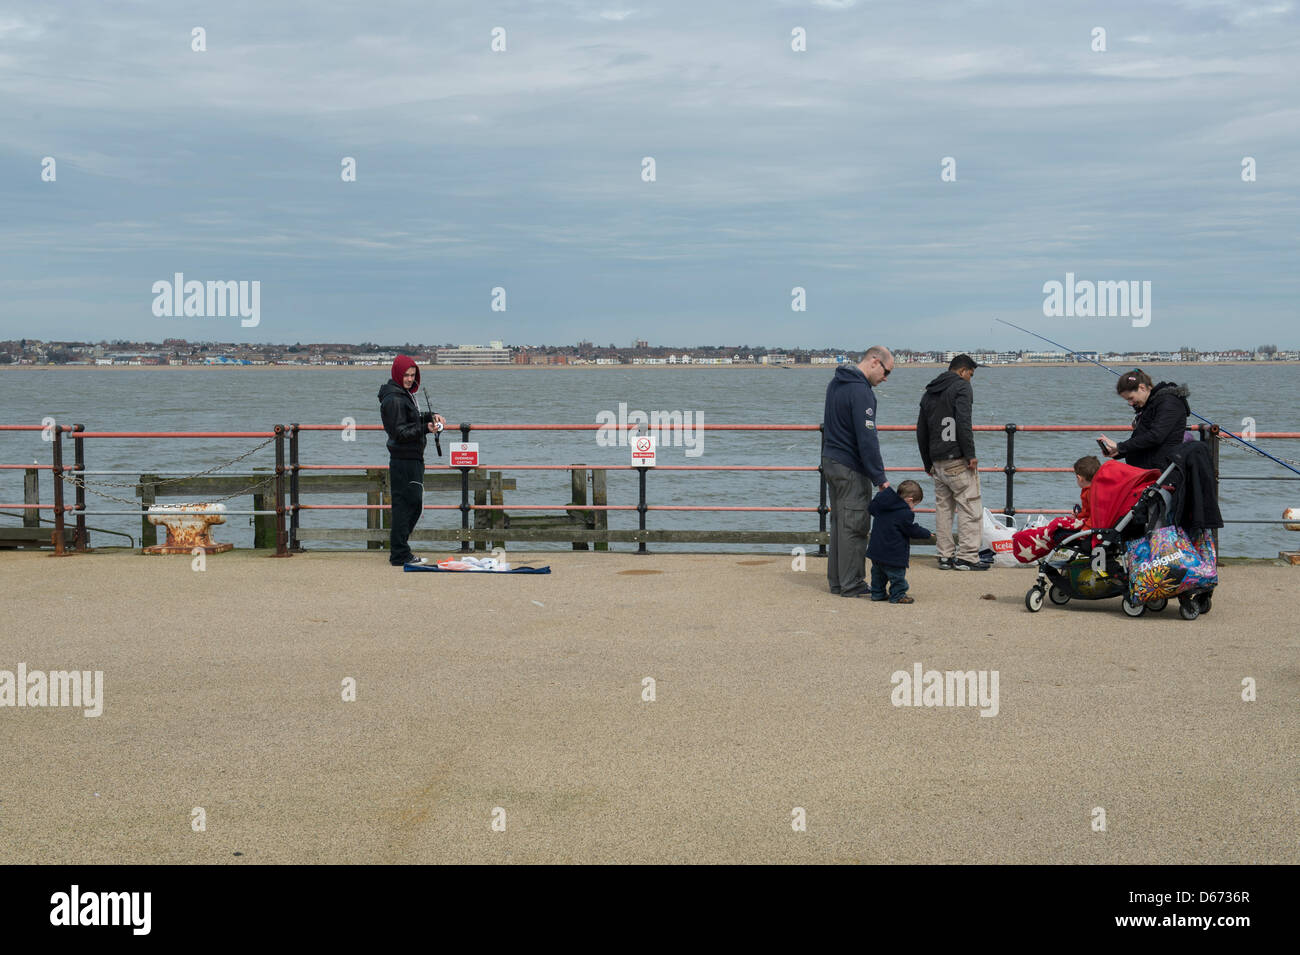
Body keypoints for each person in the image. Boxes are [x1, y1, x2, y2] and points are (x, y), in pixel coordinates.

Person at [822, 346, 893, 597]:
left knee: (839, 522)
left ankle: (838, 581)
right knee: (855, 524)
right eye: (886, 372)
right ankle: (852, 583)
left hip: (831, 460)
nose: (885, 378)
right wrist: (880, 478)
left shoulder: (836, 383)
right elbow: (867, 438)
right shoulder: (862, 392)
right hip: (851, 467)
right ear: (875, 362)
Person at [916, 353, 985, 570]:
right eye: (970, 374)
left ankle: (944, 555)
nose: (970, 379)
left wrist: (927, 461)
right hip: (957, 459)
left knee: (943, 510)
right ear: (963, 371)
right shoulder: (962, 388)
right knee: (970, 507)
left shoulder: (929, 392)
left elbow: (921, 431)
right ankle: (967, 557)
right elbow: (963, 421)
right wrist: (970, 454)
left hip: (937, 461)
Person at [378, 356, 446, 566]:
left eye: (412, 375)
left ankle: (401, 550)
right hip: (404, 459)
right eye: (406, 375)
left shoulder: (402, 395)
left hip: (411, 457)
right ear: (397, 374)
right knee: (407, 505)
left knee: (411, 504)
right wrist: (426, 428)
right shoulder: (394, 399)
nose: (409, 379)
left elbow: (410, 419)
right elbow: (399, 432)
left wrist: (430, 416)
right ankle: (399, 552)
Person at [1097, 370, 1191, 471]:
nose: (1131, 403)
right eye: (1127, 400)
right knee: (1107, 471)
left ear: (1142, 387)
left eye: (1131, 398)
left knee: (1108, 472)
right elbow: (1142, 439)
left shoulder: (1169, 402)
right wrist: (1119, 451)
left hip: (1161, 471)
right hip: (1145, 469)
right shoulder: (1149, 404)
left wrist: (1120, 447)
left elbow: (1156, 436)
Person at [866, 479, 931, 604]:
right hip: (893, 552)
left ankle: (877, 593)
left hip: (877, 549)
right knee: (897, 576)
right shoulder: (905, 513)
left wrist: (882, 494)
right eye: (915, 504)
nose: (913, 508)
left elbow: (871, 508)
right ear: (910, 500)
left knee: (878, 574)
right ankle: (898, 595)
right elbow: (911, 529)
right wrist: (926, 533)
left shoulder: (882, 505)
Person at [1073, 454, 1101, 525]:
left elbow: (1094, 516)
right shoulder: (1097, 490)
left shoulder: (1090, 493)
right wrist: (1078, 515)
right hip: (1086, 522)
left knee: (1056, 523)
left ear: (1079, 478)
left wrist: (1084, 530)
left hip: (1088, 528)